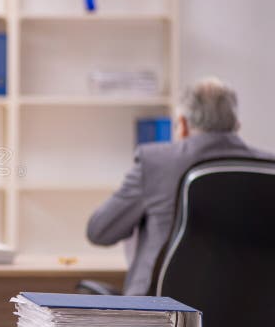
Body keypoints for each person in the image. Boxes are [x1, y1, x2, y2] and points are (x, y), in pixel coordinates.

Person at [87, 77, 272, 296]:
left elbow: (100, 231)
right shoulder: (268, 169)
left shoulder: (155, 161)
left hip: (161, 318)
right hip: (248, 320)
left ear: (182, 125)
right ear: (237, 126)